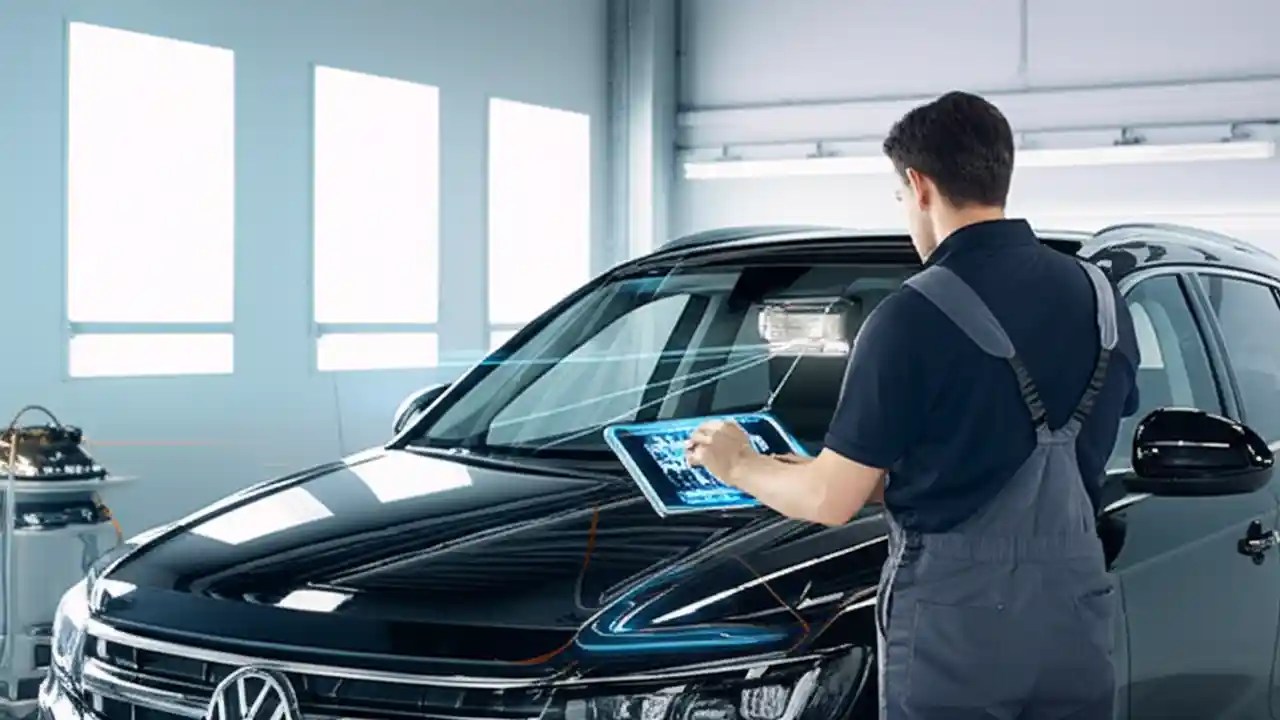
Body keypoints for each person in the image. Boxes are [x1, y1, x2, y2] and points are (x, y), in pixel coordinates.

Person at [686, 90, 1140, 719]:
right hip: (1074, 616)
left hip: (961, 628)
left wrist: (735, 463)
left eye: (900, 197)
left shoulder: (912, 314)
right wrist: (806, 466)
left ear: (919, 186)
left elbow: (830, 501)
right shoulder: (1100, 297)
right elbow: (1012, 453)